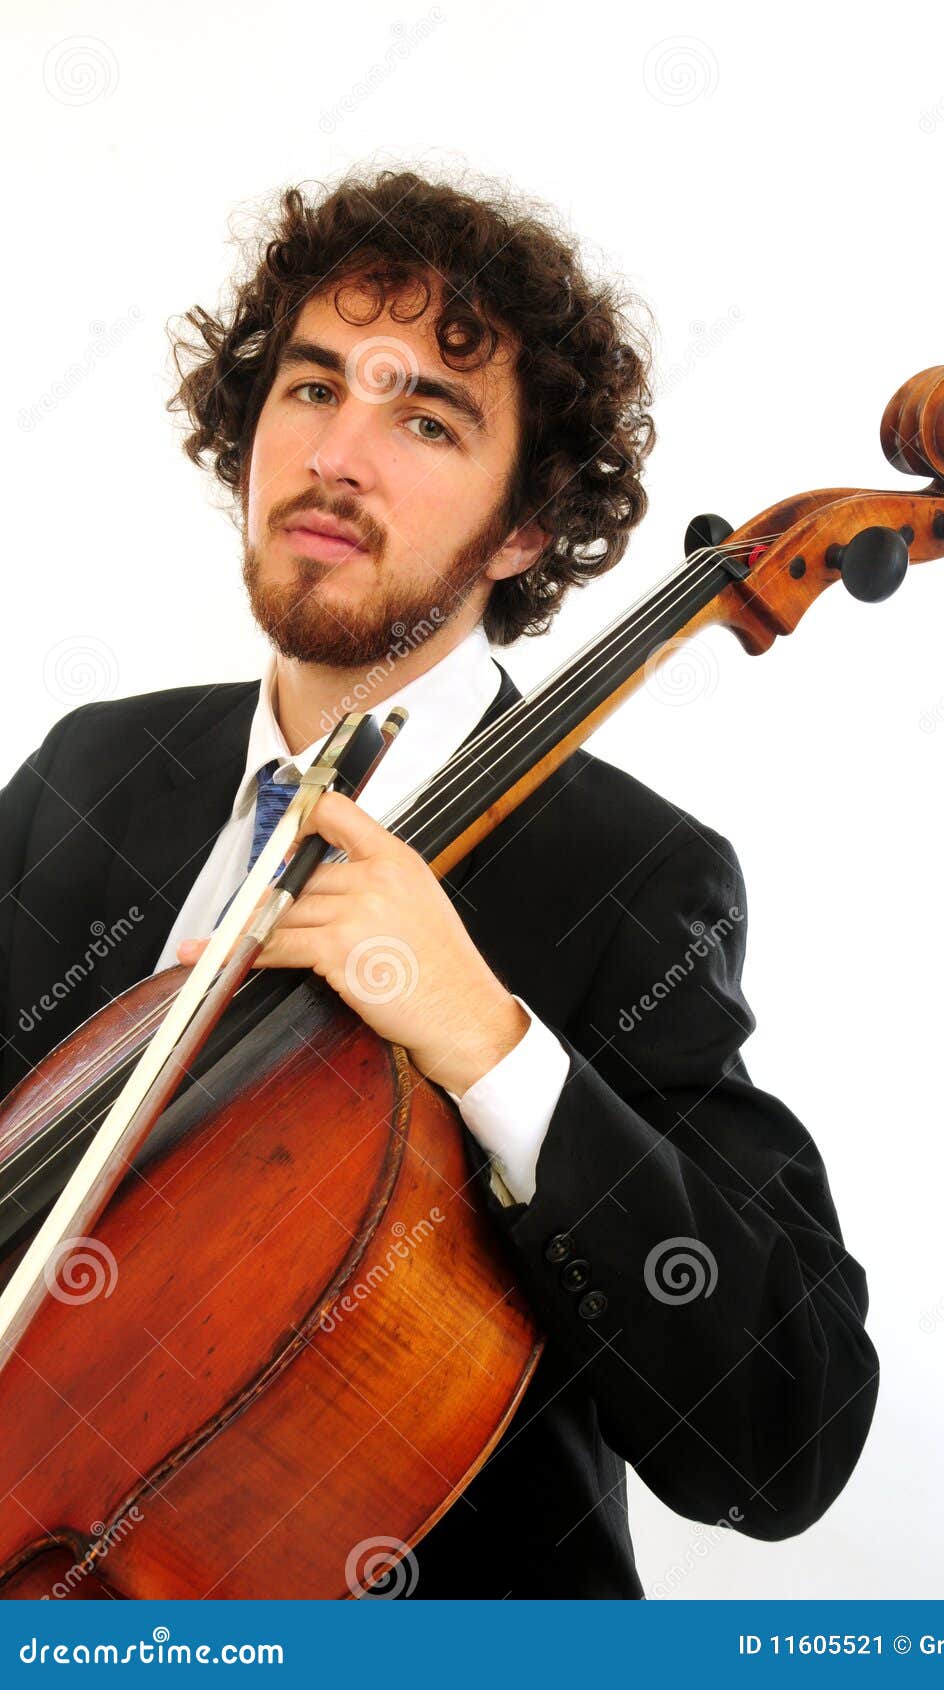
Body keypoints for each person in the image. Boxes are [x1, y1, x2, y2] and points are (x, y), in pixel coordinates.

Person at [0, 165, 878, 1598]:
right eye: (312, 387)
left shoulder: (632, 878)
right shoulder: (92, 773)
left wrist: (489, 1040)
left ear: (527, 524)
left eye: (424, 418)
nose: (338, 456)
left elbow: (791, 1431)